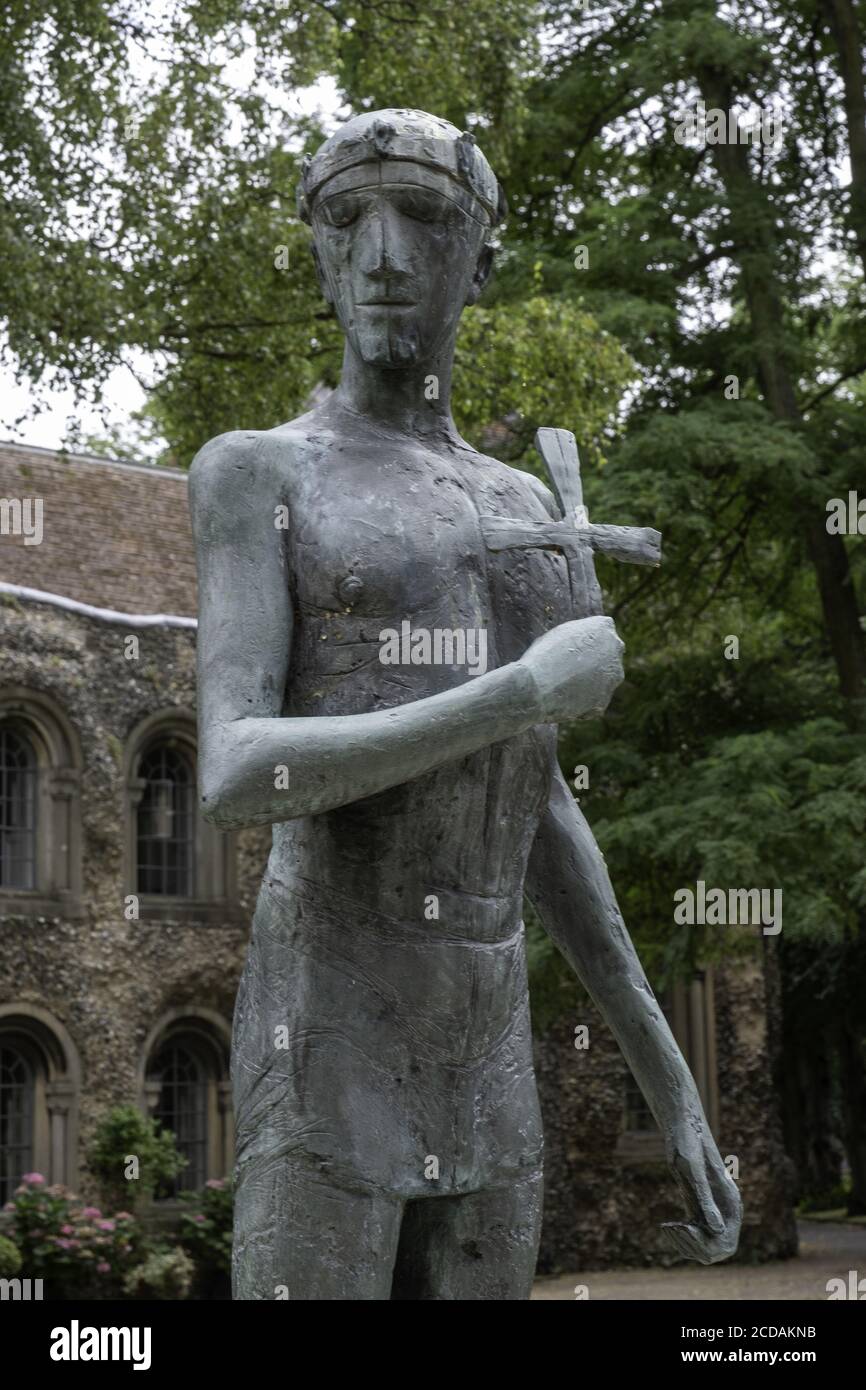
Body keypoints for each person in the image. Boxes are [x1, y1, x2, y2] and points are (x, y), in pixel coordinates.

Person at [189, 108, 741, 1300]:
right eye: (349, 221)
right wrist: (515, 694)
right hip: (326, 1011)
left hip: (485, 1035)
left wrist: (670, 1083)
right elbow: (234, 773)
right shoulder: (262, 472)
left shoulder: (520, 504)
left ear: (478, 257)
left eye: (424, 219)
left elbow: (535, 807)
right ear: (322, 252)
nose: (384, 253)